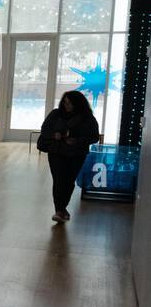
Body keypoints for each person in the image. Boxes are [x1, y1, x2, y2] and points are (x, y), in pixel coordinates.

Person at [40, 90, 100, 223]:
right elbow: (45, 129)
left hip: (76, 154)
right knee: (59, 180)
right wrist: (53, 135)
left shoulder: (87, 118)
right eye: (65, 102)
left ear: (78, 104)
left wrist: (77, 141)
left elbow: (94, 136)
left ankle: (62, 209)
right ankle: (59, 210)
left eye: (70, 103)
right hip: (56, 152)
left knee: (68, 181)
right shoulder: (56, 114)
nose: (67, 105)